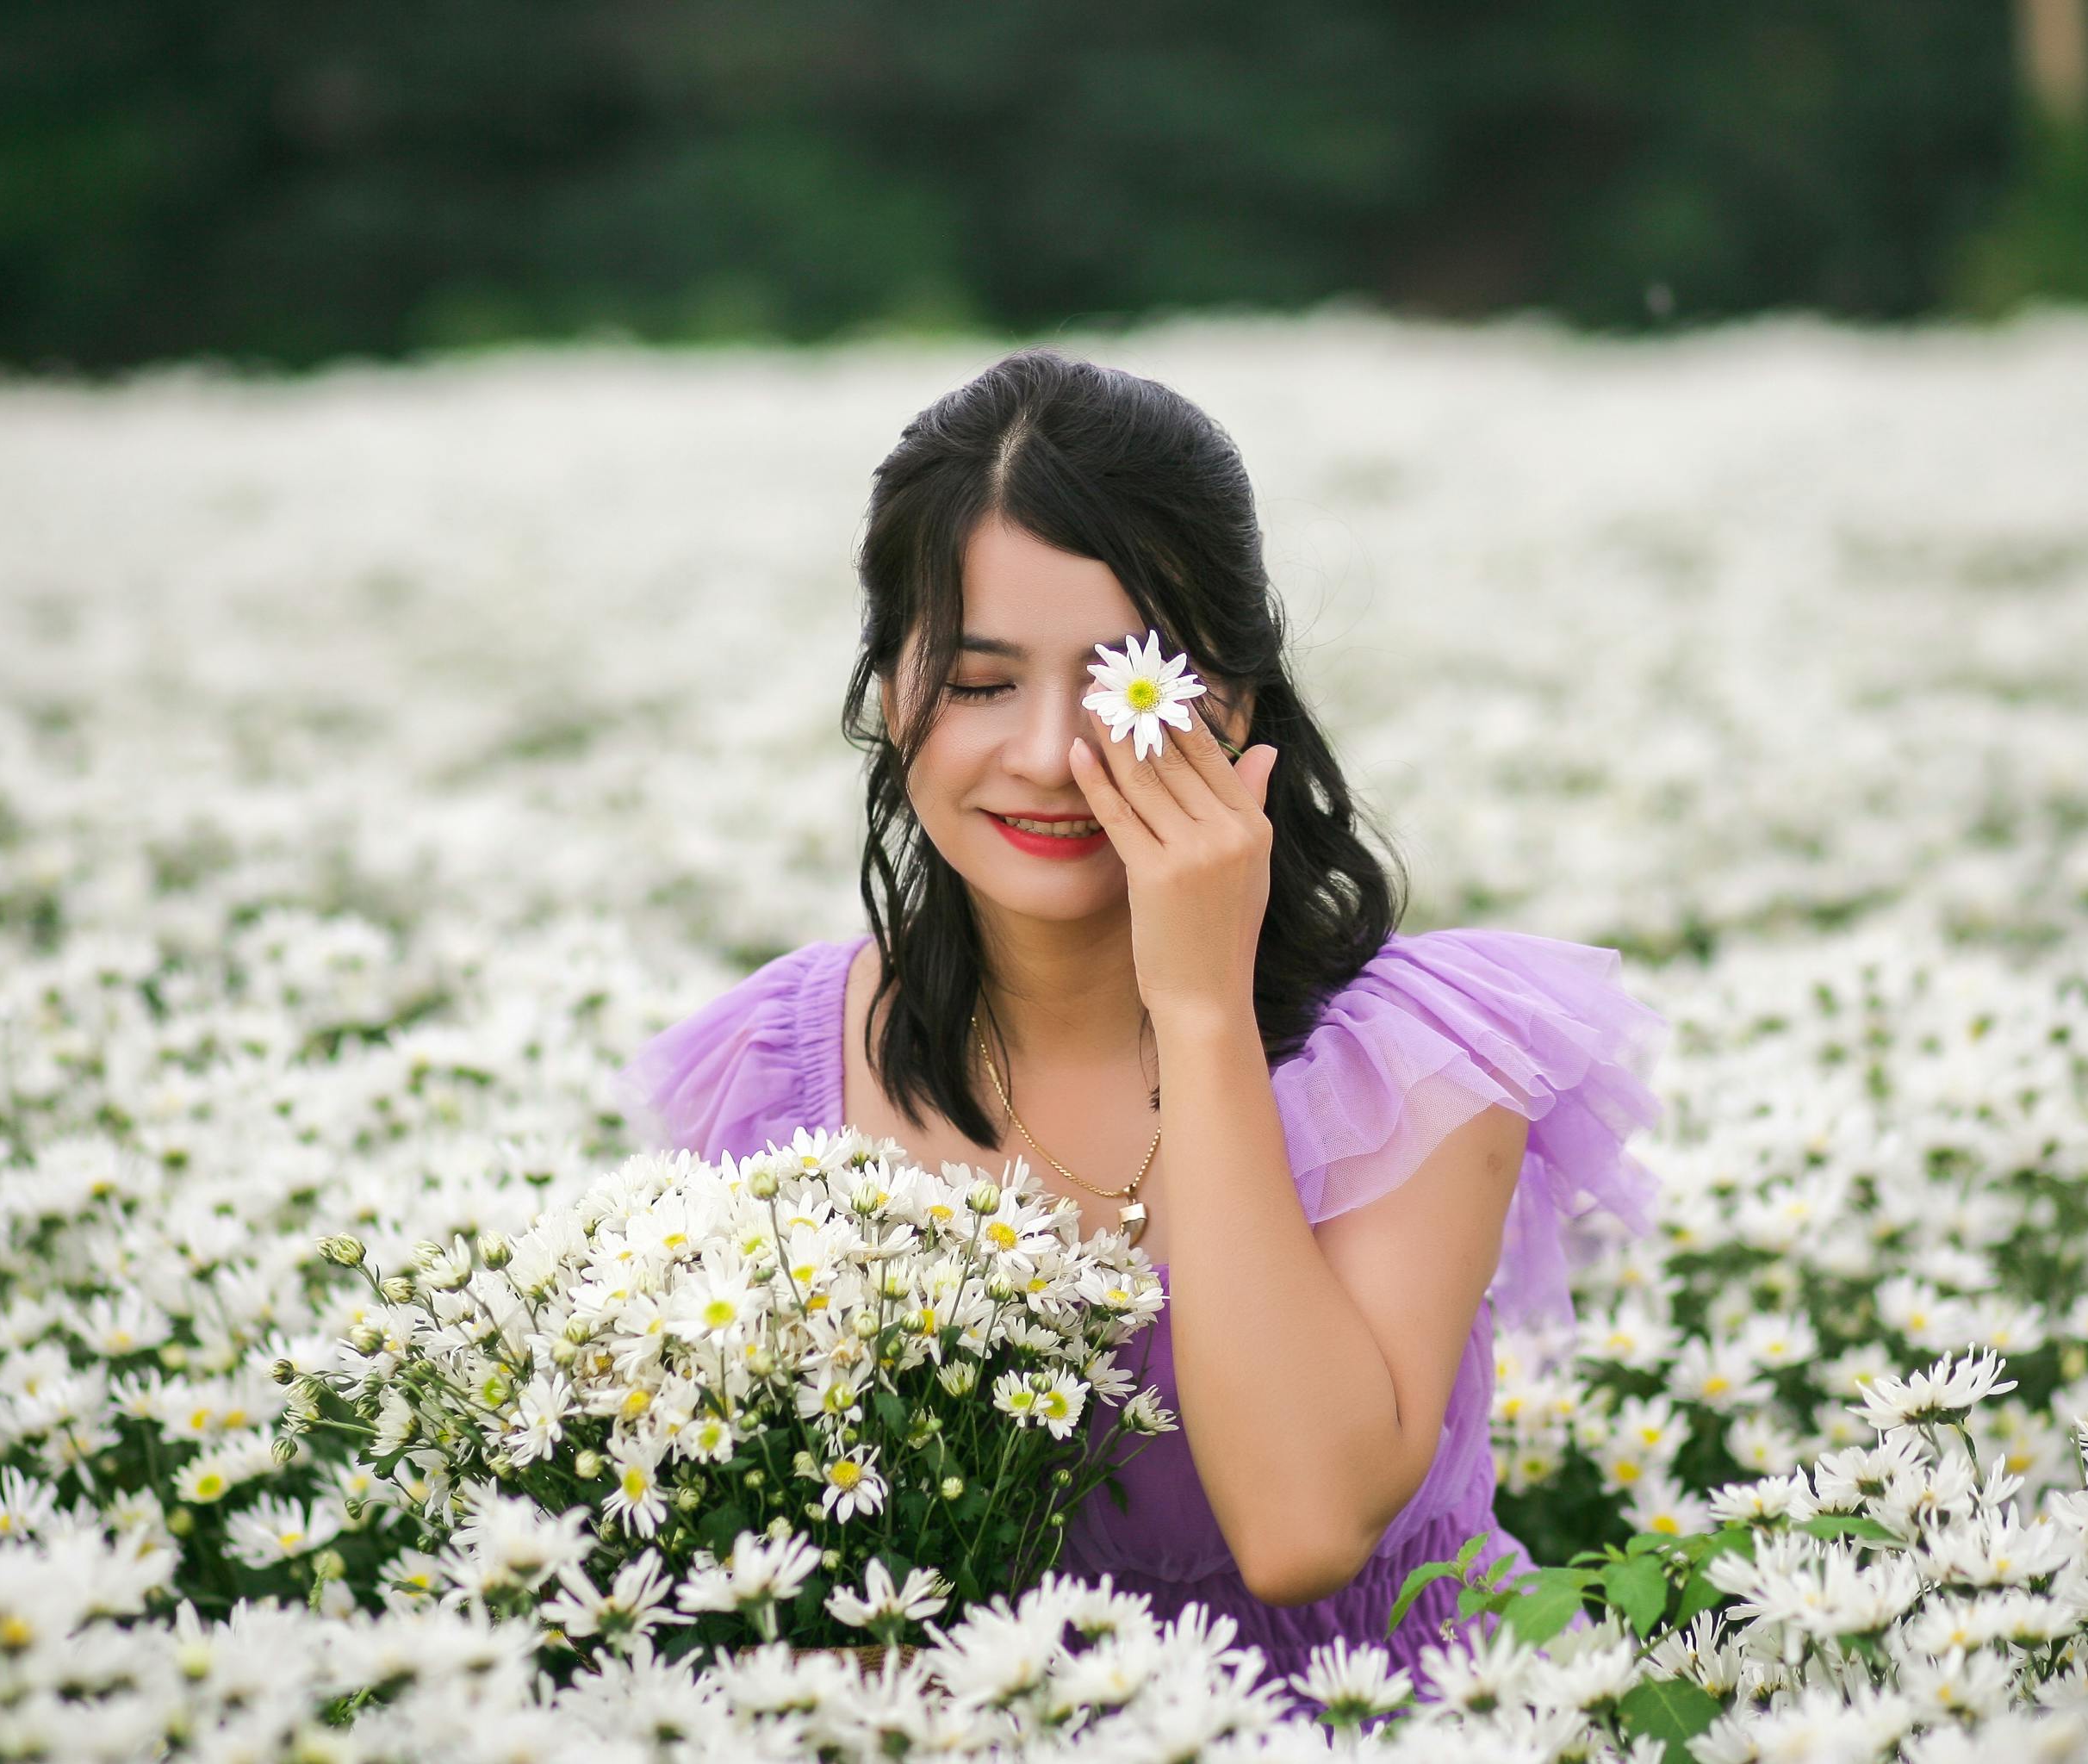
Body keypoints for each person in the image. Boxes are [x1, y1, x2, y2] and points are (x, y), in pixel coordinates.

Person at [612, 345, 1668, 1693]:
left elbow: (1298, 1534)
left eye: (1129, 687)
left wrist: (1199, 1007)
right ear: (890, 697)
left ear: (1232, 702)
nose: (1054, 756)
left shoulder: (1420, 1063)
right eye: (982, 684)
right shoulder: (779, 1068)